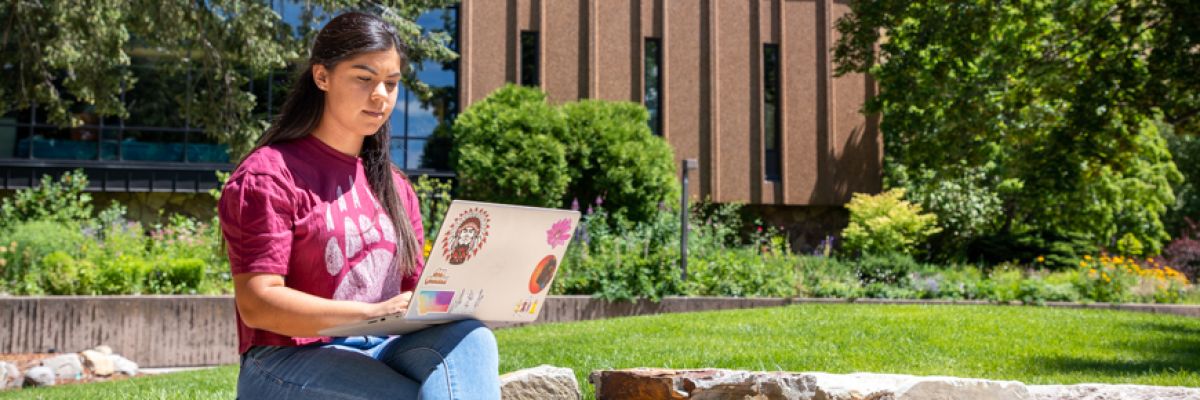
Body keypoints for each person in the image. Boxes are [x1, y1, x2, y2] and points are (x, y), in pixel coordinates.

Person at [218, 11, 500, 399]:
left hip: (381, 349)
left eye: (391, 83)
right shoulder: (269, 173)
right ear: (322, 76)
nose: (381, 95)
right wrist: (372, 313)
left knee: (472, 338)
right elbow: (258, 303)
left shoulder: (396, 188)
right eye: (364, 79)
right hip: (287, 360)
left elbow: (414, 298)